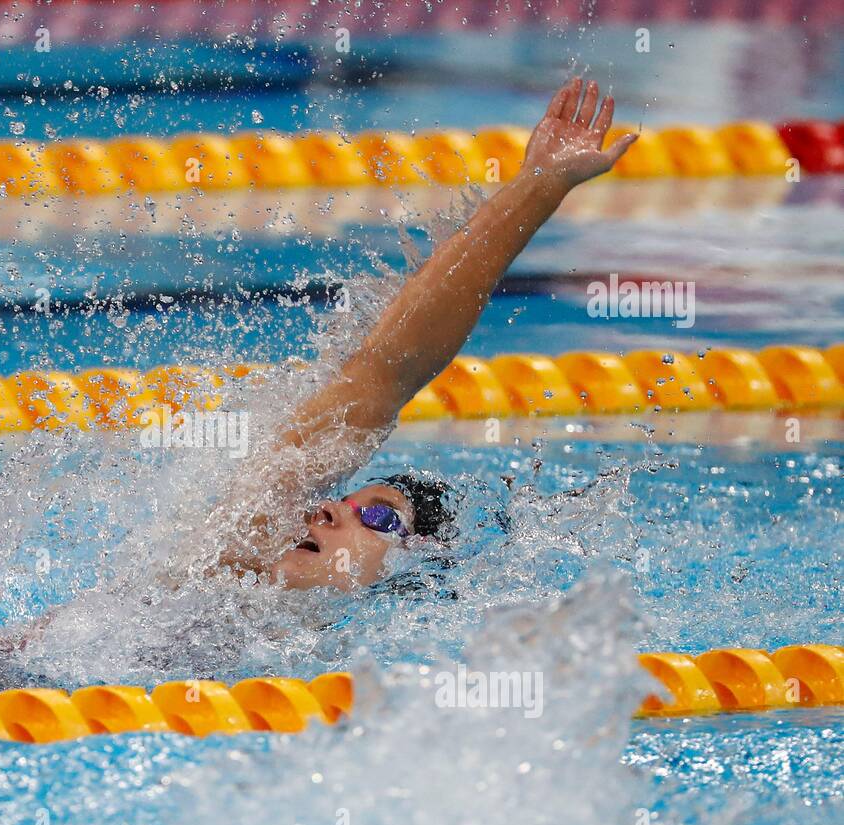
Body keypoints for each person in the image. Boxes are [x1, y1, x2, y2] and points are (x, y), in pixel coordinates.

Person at [221, 77, 637, 592]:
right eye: (348, 505)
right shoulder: (222, 571)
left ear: (412, 573)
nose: (325, 510)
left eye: (380, 520)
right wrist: (538, 185)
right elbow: (383, 371)